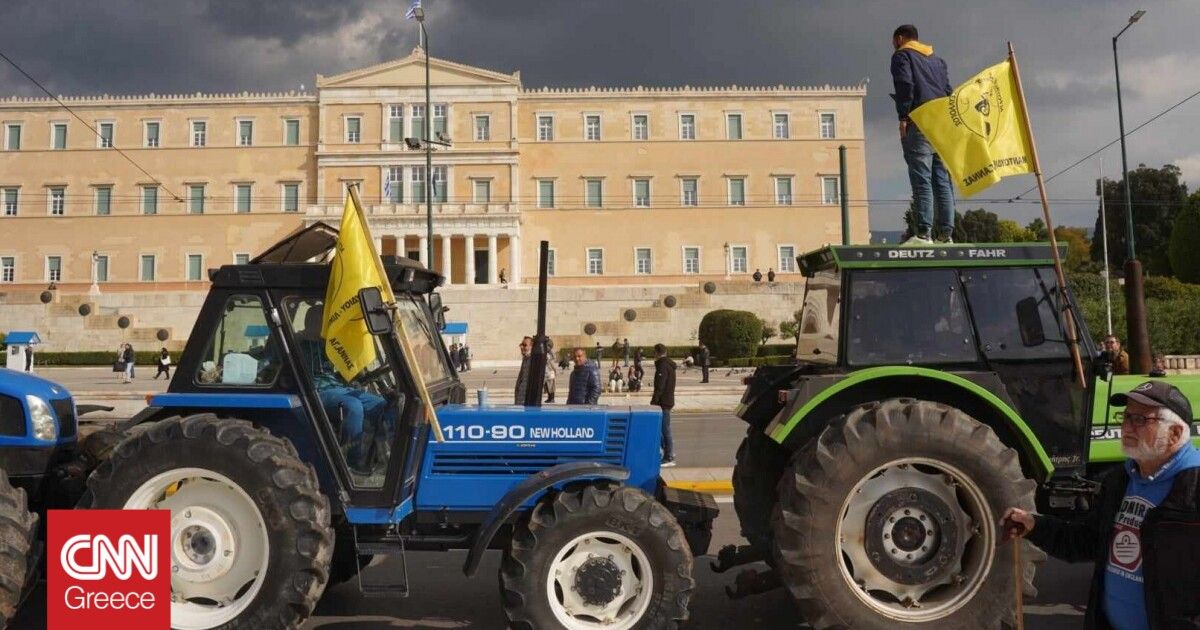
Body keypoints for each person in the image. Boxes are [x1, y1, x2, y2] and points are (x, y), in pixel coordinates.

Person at [1001, 381, 1200, 629]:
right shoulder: (1120, 481)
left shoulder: (1194, 485)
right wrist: (1034, 525)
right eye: (1126, 416)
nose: (1127, 426)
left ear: (1175, 434)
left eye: (1140, 419)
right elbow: (1088, 540)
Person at [295, 305, 392, 474]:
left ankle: (379, 457)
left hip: (338, 387)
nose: (324, 325)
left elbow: (346, 367)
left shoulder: (331, 344)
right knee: (353, 406)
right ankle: (353, 463)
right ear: (309, 322)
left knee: (382, 404)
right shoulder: (296, 342)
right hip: (314, 390)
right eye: (320, 321)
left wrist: (358, 373)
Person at [891, 24, 955, 245]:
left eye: (893, 42)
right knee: (942, 180)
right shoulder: (938, 60)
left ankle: (923, 233)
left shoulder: (902, 56)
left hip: (919, 121)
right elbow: (948, 91)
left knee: (921, 179)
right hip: (941, 124)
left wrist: (903, 116)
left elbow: (905, 85)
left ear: (900, 38)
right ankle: (946, 234)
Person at [650, 343, 677, 467]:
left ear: (657, 353)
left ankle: (669, 456)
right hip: (667, 400)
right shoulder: (668, 365)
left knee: (665, 429)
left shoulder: (662, 366)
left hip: (663, 401)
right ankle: (667, 452)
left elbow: (660, 386)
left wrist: (654, 401)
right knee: (664, 429)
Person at [514, 336, 533, 404]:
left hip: (528, 400)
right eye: (521, 345)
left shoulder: (534, 360)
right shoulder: (525, 358)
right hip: (520, 399)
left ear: (532, 346)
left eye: (525, 345)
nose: (522, 347)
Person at [543, 338, 557, 403]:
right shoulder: (547, 353)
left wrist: (547, 359)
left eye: (547, 346)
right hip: (547, 372)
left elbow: (552, 361)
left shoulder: (551, 353)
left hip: (550, 372)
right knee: (547, 386)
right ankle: (549, 398)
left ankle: (552, 398)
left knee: (551, 386)